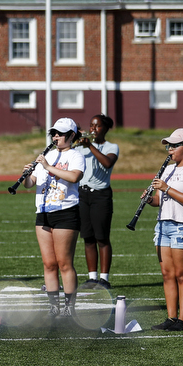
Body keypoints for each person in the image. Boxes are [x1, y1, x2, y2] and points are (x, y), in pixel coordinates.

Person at [22, 118, 85, 318]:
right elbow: (31, 184)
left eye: (60, 133)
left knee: (64, 263)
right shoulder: (46, 155)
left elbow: (74, 177)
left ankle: (69, 308)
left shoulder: (76, 155)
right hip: (43, 212)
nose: (55, 137)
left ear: (72, 136)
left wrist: (48, 166)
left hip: (66, 212)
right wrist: (26, 175)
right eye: (54, 133)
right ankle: (53, 307)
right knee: (49, 264)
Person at [145, 129, 183, 331]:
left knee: (182, 274)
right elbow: (160, 201)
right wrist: (149, 199)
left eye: (174, 145)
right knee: (167, 274)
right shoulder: (167, 169)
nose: (169, 149)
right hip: (163, 223)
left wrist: (166, 188)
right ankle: (171, 318)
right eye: (168, 146)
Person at [74, 114, 119, 289]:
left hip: (101, 195)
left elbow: (107, 162)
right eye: (91, 126)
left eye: (97, 126)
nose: (93, 129)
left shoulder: (111, 147)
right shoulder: (80, 147)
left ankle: (104, 278)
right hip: (83, 195)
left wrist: (90, 145)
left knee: (102, 237)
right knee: (88, 237)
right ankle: (92, 277)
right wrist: (75, 137)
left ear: (105, 129)